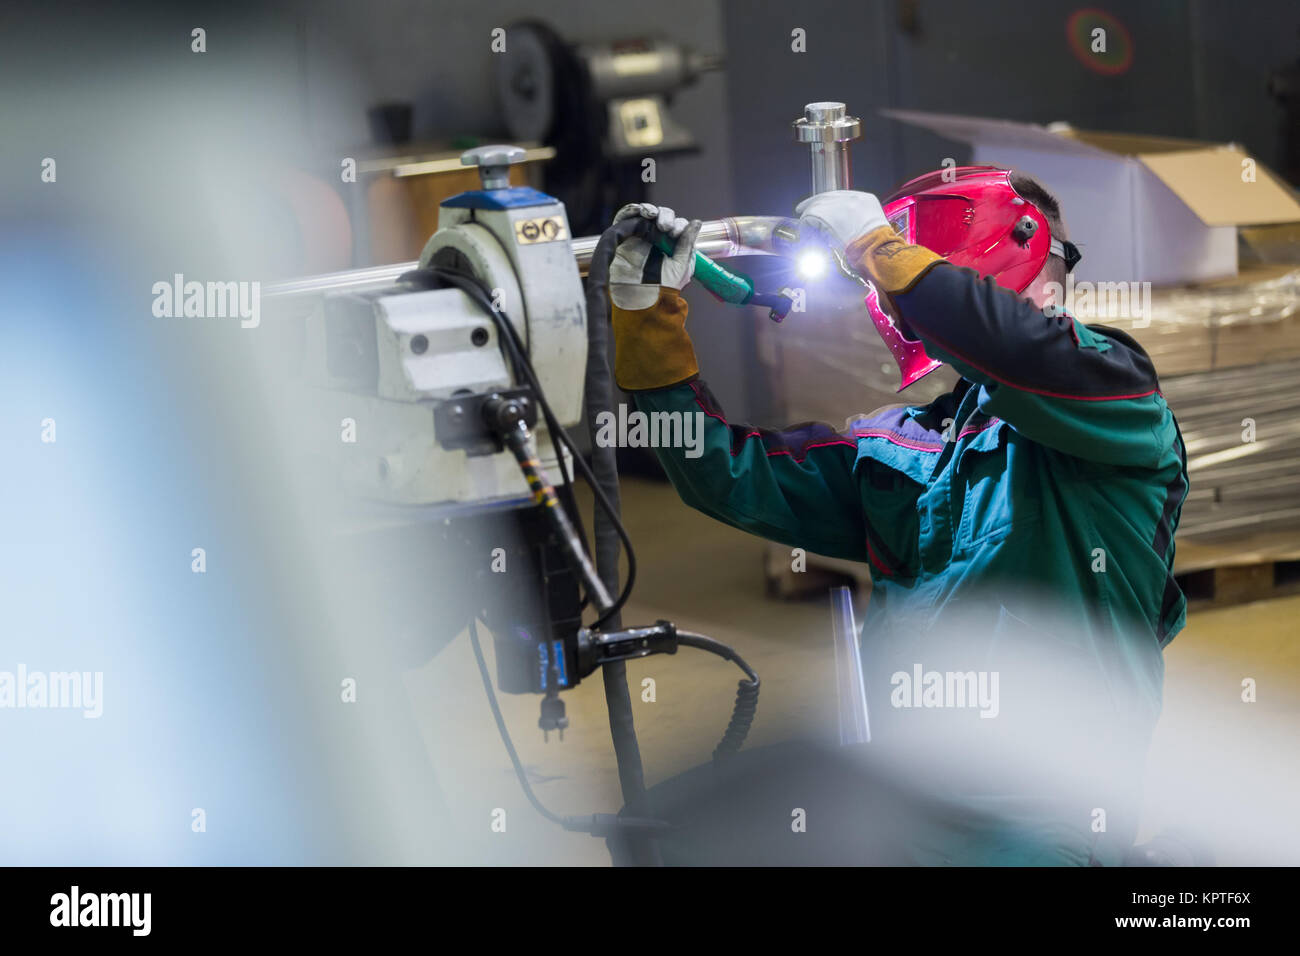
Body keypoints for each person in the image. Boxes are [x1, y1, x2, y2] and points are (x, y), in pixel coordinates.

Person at [606, 167, 1189, 865]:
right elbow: (724, 477)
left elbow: (1020, 349)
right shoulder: (905, 441)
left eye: (906, 263)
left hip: (1044, 816)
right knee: (674, 836)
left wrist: (879, 247)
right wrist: (648, 316)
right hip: (899, 791)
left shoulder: (1116, 398)